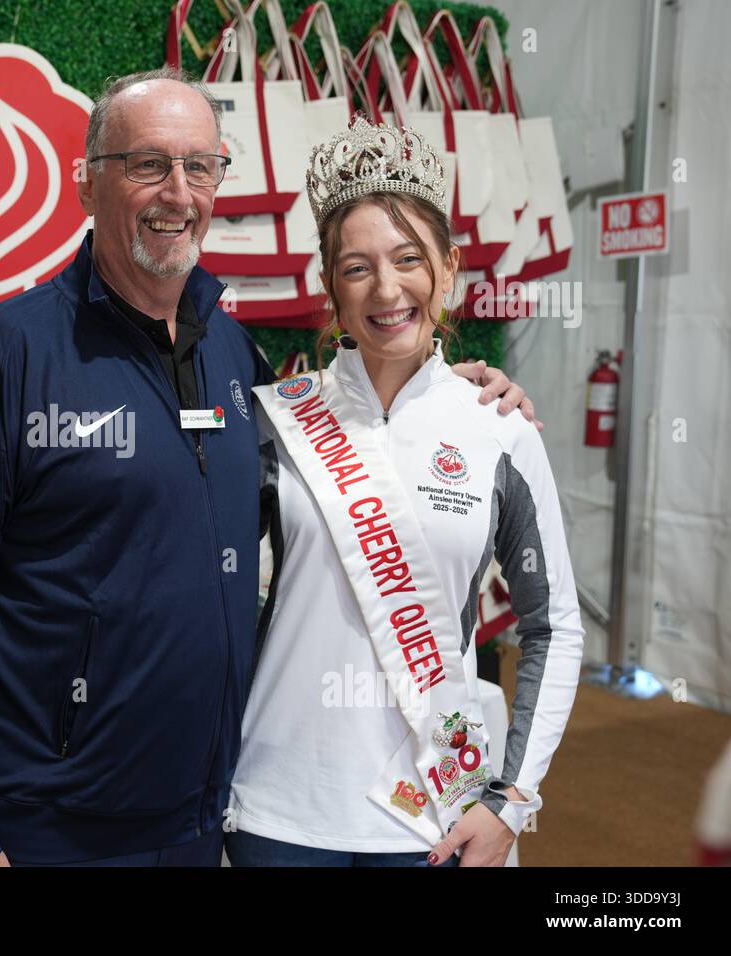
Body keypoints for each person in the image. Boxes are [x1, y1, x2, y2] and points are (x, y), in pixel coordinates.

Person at [0, 70, 535, 867]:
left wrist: (460, 392)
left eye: (200, 166)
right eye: (147, 164)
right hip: (49, 827)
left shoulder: (236, 356)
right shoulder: (5, 356)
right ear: (88, 183)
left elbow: (365, 434)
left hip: (206, 816)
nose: (178, 191)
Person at [225, 117, 584, 867]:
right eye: (356, 268)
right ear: (331, 286)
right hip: (281, 804)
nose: (387, 290)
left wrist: (514, 798)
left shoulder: (500, 429)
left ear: (448, 270)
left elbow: (553, 625)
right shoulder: (278, 421)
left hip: (432, 814)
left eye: (409, 260)